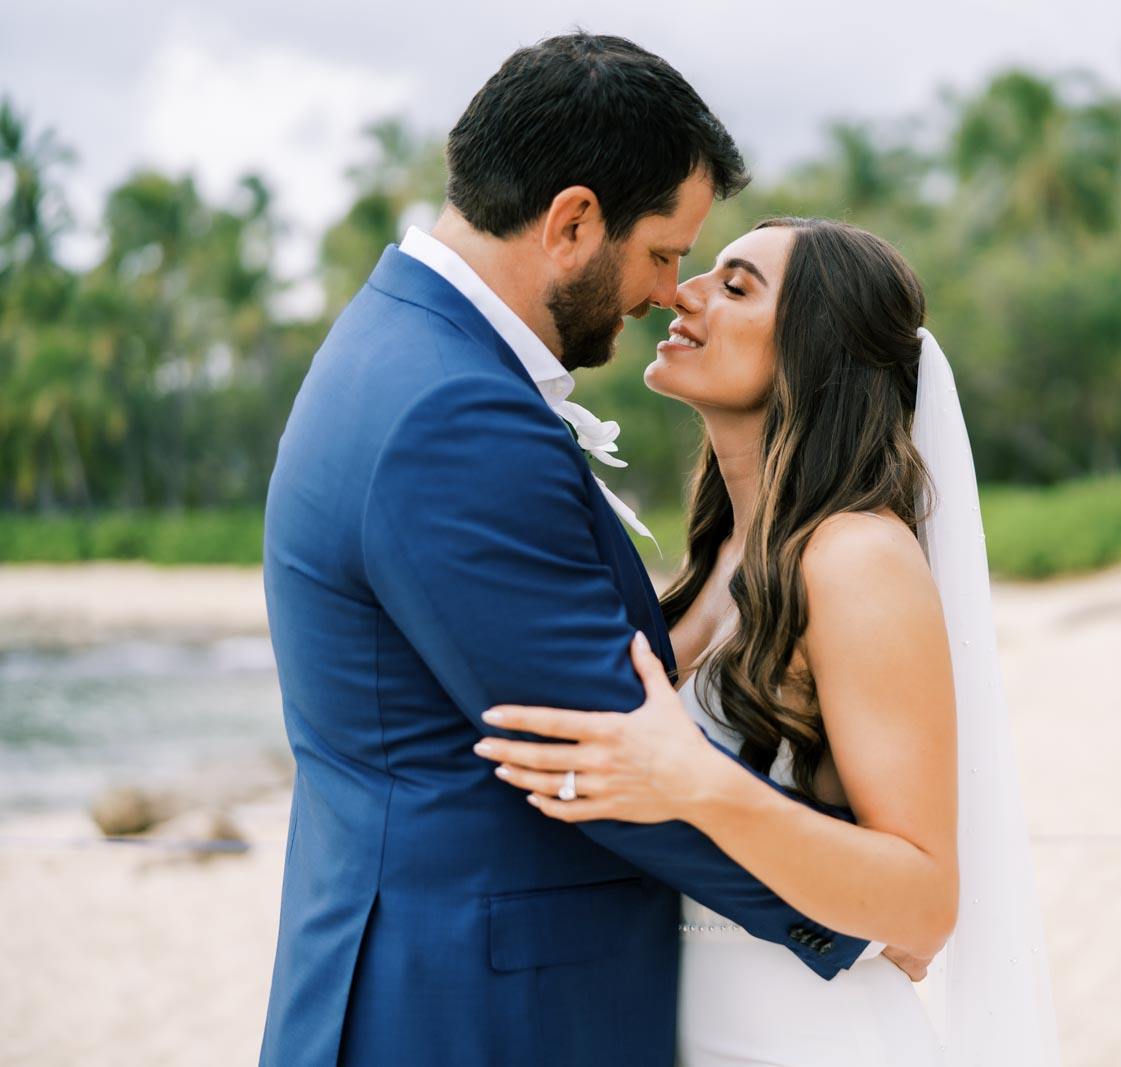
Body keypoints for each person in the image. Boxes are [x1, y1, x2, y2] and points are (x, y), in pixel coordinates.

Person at [259, 34, 899, 1066]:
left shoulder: (404, 351)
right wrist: (863, 911)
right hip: (470, 1015)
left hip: (435, 977)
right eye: (664, 252)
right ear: (572, 223)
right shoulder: (455, 410)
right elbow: (600, 753)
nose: (668, 291)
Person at [474, 218, 1063, 1065]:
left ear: (811, 350)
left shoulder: (856, 555)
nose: (682, 293)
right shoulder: (715, 558)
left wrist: (697, 781)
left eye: (734, 285)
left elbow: (924, 900)